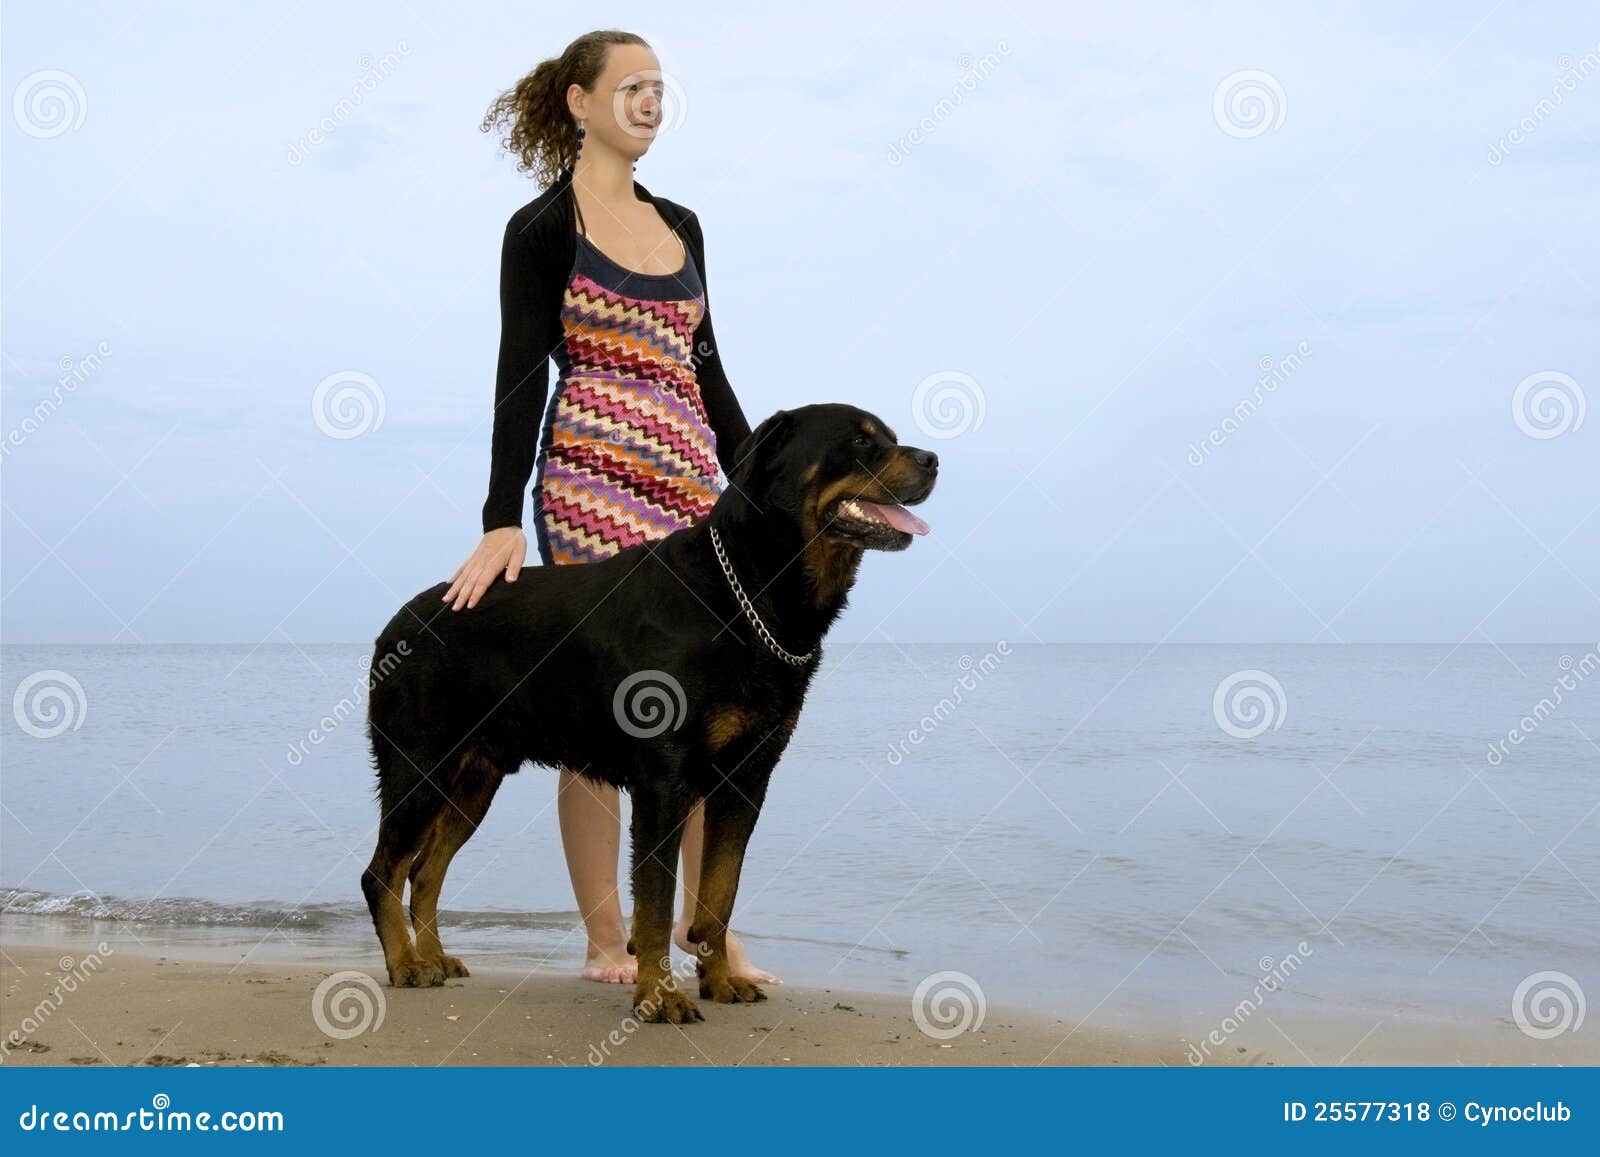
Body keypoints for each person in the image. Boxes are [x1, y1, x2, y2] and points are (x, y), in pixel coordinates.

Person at [447, 29, 778, 986]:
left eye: (660, 90)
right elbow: (518, 375)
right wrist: (500, 514)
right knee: (606, 716)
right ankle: (607, 940)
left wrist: (753, 481)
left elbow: (707, 370)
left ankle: (706, 932)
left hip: (690, 486)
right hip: (588, 483)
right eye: (631, 87)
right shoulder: (542, 228)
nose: (649, 103)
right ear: (579, 103)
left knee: (709, 708)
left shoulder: (684, 224)